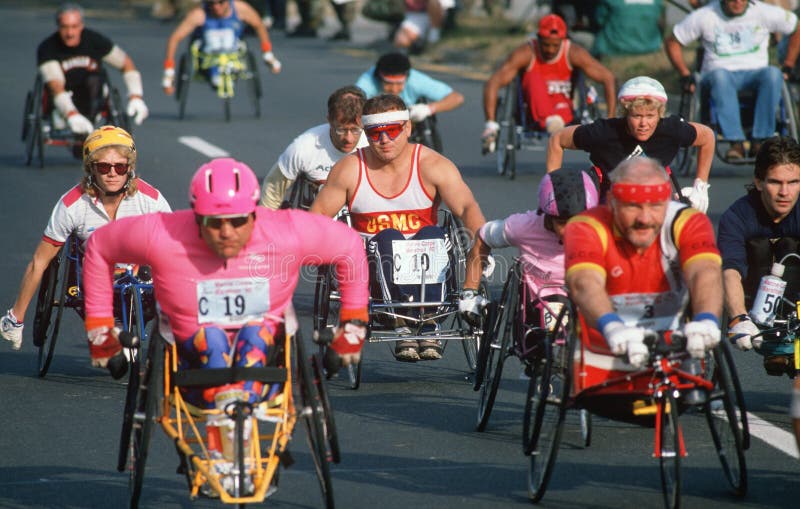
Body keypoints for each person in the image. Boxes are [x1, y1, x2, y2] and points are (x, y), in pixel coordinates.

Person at [80, 159, 369, 484]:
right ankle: (229, 428)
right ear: (195, 216)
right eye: (213, 223)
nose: (226, 232)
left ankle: (235, 413)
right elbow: (99, 246)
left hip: (265, 353)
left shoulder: (286, 230)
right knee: (213, 338)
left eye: (237, 220)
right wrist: (100, 326)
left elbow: (350, 246)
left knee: (253, 331)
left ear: (254, 213)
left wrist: (353, 324)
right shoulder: (162, 232)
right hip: (192, 359)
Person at [310, 94, 486, 362]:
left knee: (432, 234)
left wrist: (482, 243)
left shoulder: (433, 165)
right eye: (375, 133)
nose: (384, 140)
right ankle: (398, 320)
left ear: (407, 128)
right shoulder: (349, 169)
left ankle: (428, 320)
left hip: (428, 263)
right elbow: (318, 216)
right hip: (374, 269)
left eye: (392, 131)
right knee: (389, 237)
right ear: (366, 134)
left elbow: (466, 208)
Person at [0, 126, 171, 366]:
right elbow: (40, 262)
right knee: (113, 357)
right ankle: (113, 331)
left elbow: (177, 249)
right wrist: (15, 317)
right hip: (94, 284)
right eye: (104, 167)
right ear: (91, 169)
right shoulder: (72, 204)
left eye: (120, 167)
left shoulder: (150, 199)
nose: (112, 174)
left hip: (141, 283)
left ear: (129, 168)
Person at [563, 156, 722, 392]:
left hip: (674, 345)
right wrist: (612, 326)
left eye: (656, 206)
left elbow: (704, 272)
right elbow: (584, 282)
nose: (644, 219)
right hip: (607, 344)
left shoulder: (688, 221)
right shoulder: (586, 226)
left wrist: (707, 319)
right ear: (612, 202)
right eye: (632, 206)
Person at [459, 169, 600, 334]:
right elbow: (483, 238)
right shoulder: (523, 227)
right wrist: (470, 292)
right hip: (539, 304)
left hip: (587, 298)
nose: (570, 229)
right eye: (562, 222)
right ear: (547, 216)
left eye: (577, 221)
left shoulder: (600, 230)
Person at [546, 76, 715, 212]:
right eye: (636, 116)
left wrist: (700, 187)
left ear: (659, 114)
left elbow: (707, 137)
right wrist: (552, 191)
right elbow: (557, 140)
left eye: (650, 116)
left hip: (655, 198)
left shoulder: (671, 129)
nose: (644, 124)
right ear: (625, 113)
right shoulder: (604, 132)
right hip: (611, 201)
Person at [664, 0, 800, 160]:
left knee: (773, 73)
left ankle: (761, 140)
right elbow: (673, 41)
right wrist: (685, 74)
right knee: (721, 76)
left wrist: (789, 65)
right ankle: (736, 143)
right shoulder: (706, 15)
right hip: (718, 74)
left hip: (755, 72)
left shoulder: (763, 12)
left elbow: (796, 27)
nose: (738, 2)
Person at [717, 136, 800, 376]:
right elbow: (730, 270)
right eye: (775, 182)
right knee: (760, 245)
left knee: (789, 244)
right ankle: (773, 344)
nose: (785, 192)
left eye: (793, 182)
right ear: (759, 182)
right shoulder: (736, 216)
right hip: (753, 300)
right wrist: (737, 317)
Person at [481, 13, 616, 147]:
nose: (551, 50)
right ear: (538, 38)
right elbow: (493, 83)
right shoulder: (526, 53)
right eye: (546, 45)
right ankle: (550, 121)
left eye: (555, 45)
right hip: (534, 113)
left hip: (564, 110)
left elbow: (607, 78)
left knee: (564, 110)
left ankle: (555, 123)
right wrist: (491, 125)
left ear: (563, 40)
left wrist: (610, 120)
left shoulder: (574, 53)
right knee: (533, 75)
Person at [37, 3, 149, 138]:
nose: (70, 33)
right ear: (58, 27)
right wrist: (71, 114)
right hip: (64, 96)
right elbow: (55, 86)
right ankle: (65, 118)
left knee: (94, 79)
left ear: (81, 26)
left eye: (74, 27)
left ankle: (91, 117)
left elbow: (126, 64)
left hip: (93, 95)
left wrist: (135, 96)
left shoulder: (95, 41)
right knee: (57, 87)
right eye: (65, 27)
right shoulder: (48, 48)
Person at [260, 86, 368, 209]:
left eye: (355, 130)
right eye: (341, 130)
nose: (349, 138)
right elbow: (273, 190)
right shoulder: (303, 147)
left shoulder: (374, 145)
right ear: (329, 121)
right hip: (313, 220)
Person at [162, 0, 281, 97]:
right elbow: (174, 38)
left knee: (232, 42)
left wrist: (268, 55)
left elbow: (259, 26)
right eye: (211, 4)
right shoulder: (199, 14)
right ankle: (215, 74)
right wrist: (169, 72)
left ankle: (231, 69)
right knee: (211, 42)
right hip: (208, 55)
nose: (216, 7)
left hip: (233, 51)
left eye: (220, 2)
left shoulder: (241, 9)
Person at [356, 52, 464, 126]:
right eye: (388, 83)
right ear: (379, 78)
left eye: (399, 83)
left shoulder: (416, 80)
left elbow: (456, 98)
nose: (394, 89)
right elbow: (354, 106)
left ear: (407, 78)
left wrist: (428, 109)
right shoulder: (367, 82)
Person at [592, 0, 665, 58]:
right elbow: (661, 22)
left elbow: (599, 20)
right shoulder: (657, 1)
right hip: (651, 46)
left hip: (614, 48)